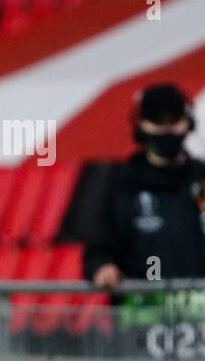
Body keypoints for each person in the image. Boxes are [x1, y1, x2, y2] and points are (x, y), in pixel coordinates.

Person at [83, 83, 204, 291]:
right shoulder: (121, 184)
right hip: (141, 311)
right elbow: (97, 249)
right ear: (141, 125)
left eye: (174, 120)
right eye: (158, 121)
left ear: (188, 123)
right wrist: (102, 268)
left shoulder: (201, 177)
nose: (167, 129)